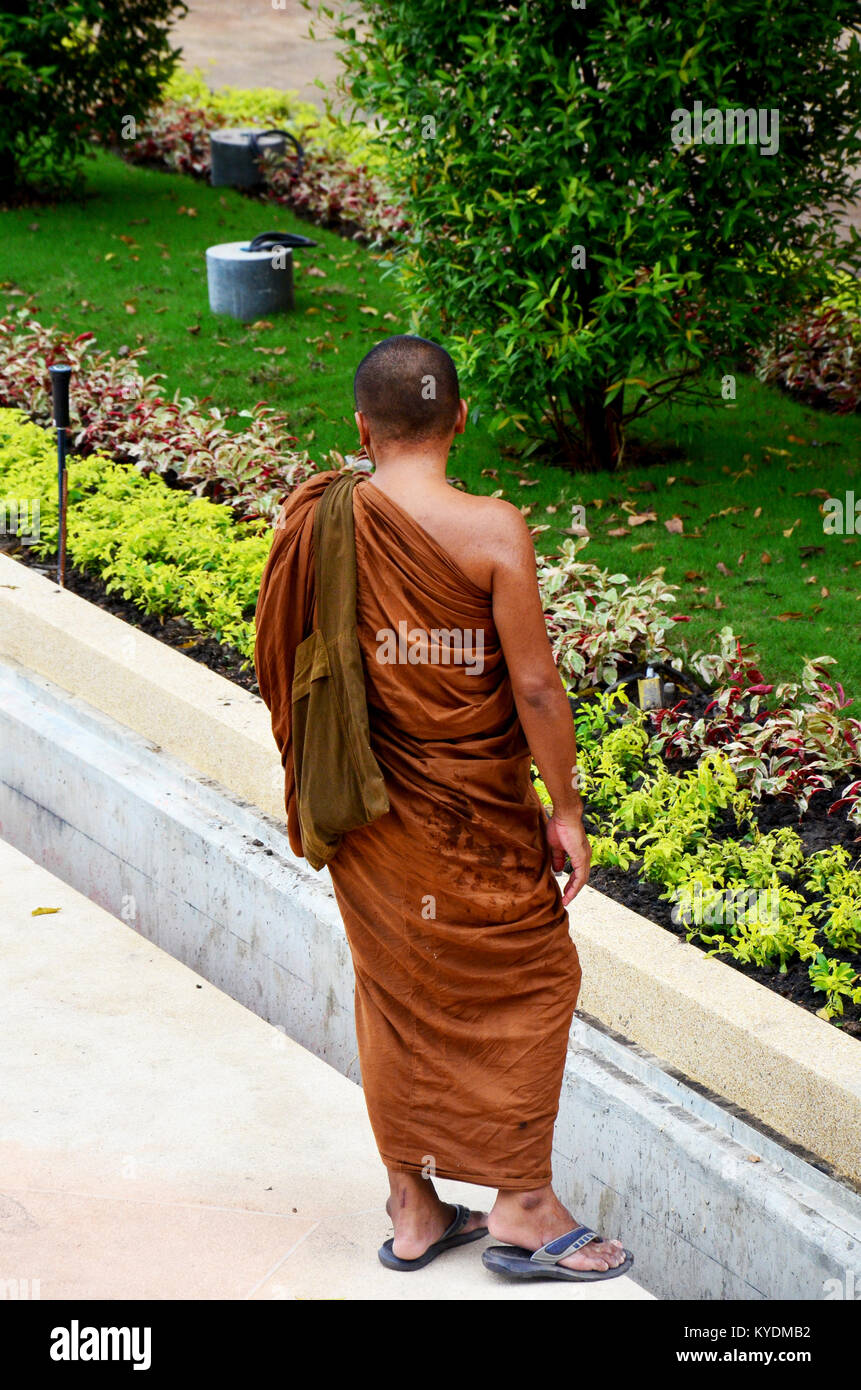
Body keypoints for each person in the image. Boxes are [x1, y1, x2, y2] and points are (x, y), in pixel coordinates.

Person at [254, 335, 632, 1282]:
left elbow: (283, 668)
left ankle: (415, 1209)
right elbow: (537, 689)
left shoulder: (317, 521)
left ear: (362, 427)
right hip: (473, 815)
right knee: (536, 980)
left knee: (394, 999)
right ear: (459, 419)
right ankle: (522, 1203)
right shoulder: (492, 529)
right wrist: (568, 808)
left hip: (370, 812)